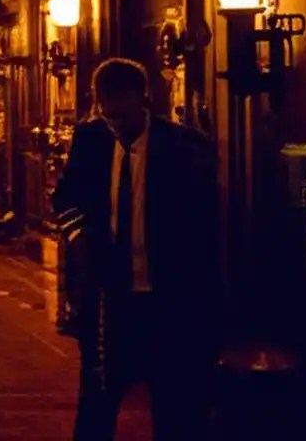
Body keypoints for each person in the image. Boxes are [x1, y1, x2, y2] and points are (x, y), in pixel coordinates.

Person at [53, 58, 222, 440]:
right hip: (108, 299)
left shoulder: (183, 147)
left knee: (175, 407)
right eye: (109, 118)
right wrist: (80, 238)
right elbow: (65, 199)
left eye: (124, 117)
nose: (118, 128)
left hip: (167, 297)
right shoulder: (92, 140)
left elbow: (205, 228)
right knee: (96, 404)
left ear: (143, 99)